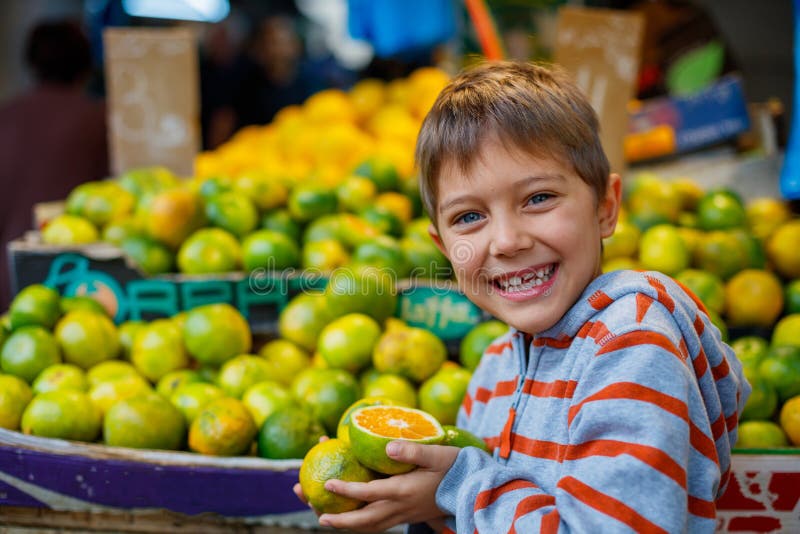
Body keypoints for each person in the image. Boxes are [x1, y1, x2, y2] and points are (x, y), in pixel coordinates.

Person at [294, 60, 750, 532]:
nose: (507, 241)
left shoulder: (631, 341)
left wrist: (456, 489)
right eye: (469, 217)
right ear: (444, 247)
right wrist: (397, 498)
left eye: (538, 199)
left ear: (605, 208)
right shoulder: (494, 368)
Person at [0, 19, 109, 308]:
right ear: (86, 65)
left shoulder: (7, 116)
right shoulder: (99, 121)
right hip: (79, 284)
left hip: (8, 280)